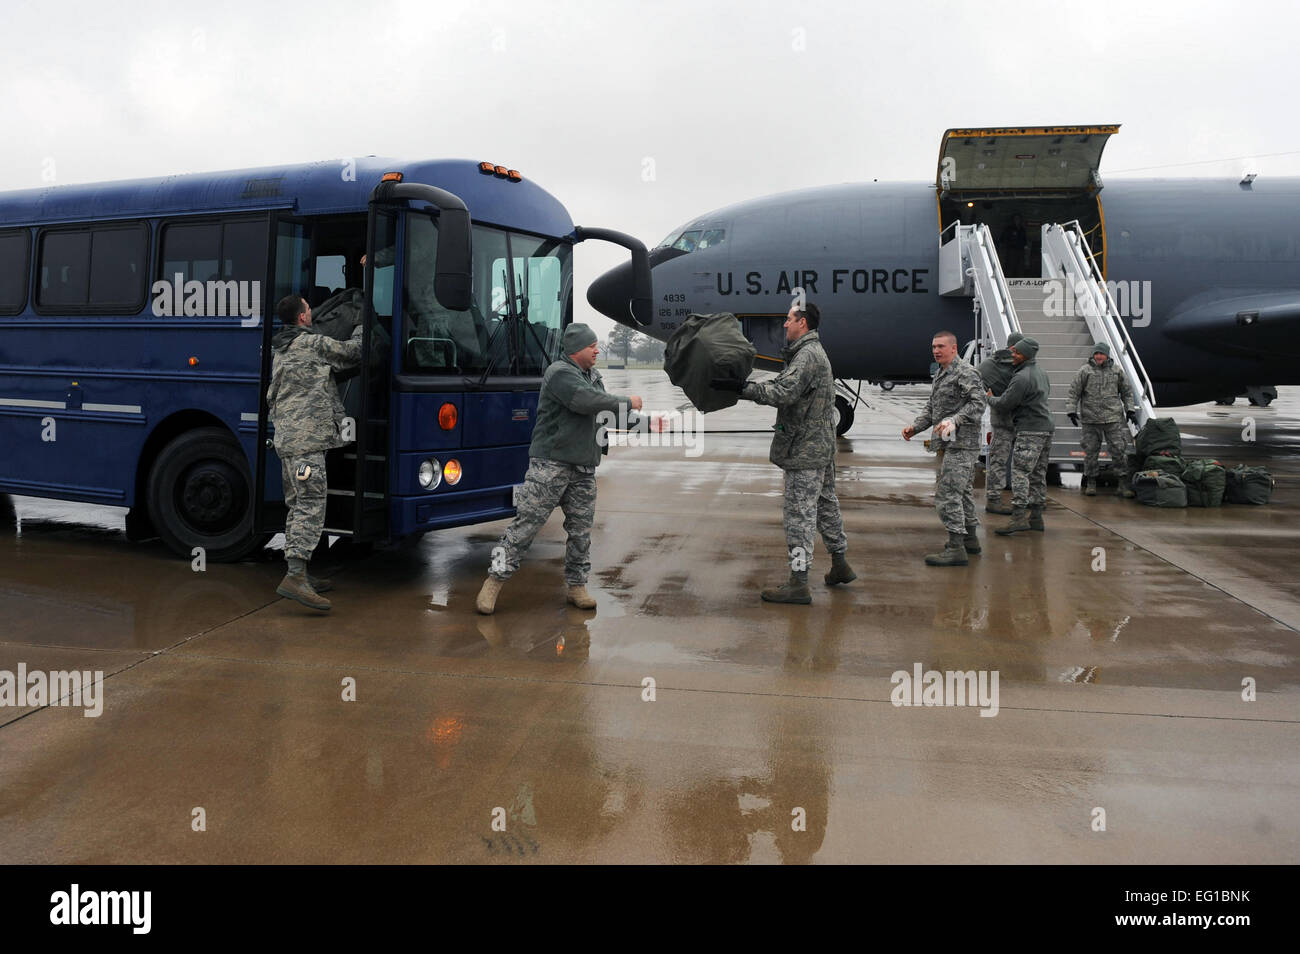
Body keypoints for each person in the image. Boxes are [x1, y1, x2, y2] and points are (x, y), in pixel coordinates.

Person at [476, 323, 643, 614]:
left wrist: (643, 422)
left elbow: (602, 412)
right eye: (592, 346)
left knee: (581, 532)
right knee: (524, 528)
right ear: (577, 349)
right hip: (550, 465)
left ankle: (576, 586)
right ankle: (493, 581)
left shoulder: (593, 375)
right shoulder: (560, 373)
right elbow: (584, 401)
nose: (597, 350)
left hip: (583, 467)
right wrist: (628, 402)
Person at [712, 302, 854, 603]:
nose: (784, 325)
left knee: (798, 515)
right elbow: (785, 385)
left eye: (788, 320)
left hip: (805, 449)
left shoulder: (806, 356)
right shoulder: (812, 353)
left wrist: (742, 388)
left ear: (802, 323)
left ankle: (799, 582)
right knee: (826, 505)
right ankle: (840, 564)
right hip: (820, 445)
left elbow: (782, 393)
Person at [266, 294, 364, 611]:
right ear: (303, 318)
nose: (313, 313)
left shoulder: (281, 347)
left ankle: (302, 572)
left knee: (297, 504)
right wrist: (363, 323)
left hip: (289, 439)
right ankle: (295, 577)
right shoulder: (311, 345)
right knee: (309, 504)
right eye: (310, 309)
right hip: (306, 444)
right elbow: (353, 353)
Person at [902, 331, 987, 566]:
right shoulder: (941, 373)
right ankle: (970, 541)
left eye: (941, 346)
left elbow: (979, 403)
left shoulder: (966, 373)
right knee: (963, 493)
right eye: (933, 347)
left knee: (947, 495)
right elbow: (932, 407)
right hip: (950, 444)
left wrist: (956, 420)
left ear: (953, 348)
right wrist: (915, 427)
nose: (936, 351)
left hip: (963, 444)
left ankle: (956, 547)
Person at [986, 337, 1055, 534]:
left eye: (1016, 353)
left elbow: (1006, 403)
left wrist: (990, 398)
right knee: (1038, 474)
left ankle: (1018, 517)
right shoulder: (1041, 373)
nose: (1012, 355)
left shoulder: (1021, 377)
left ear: (1025, 355)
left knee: (1020, 472)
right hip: (1046, 427)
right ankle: (1036, 518)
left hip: (1030, 429)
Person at [1067, 341, 1139, 497]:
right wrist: (1071, 410)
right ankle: (1091, 483)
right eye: (1097, 353)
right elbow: (1074, 392)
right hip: (1090, 420)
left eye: (1102, 353)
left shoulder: (1117, 371)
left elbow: (1126, 392)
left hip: (1112, 419)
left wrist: (1130, 410)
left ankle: (1122, 484)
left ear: (1107, 355)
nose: (1099, 356)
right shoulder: (1084, 371)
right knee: (1091, 453)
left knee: (1119, 451)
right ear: (1093, 355)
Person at [978, 331, 1023, 515]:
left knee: (1000, 462)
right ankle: (997, 500)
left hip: (1007, 421)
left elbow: (976, 380)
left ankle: (997, 499)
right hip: (1016, 421)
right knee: (1005, 462)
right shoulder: (1022, 365)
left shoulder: (990, 365)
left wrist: (990, 397)